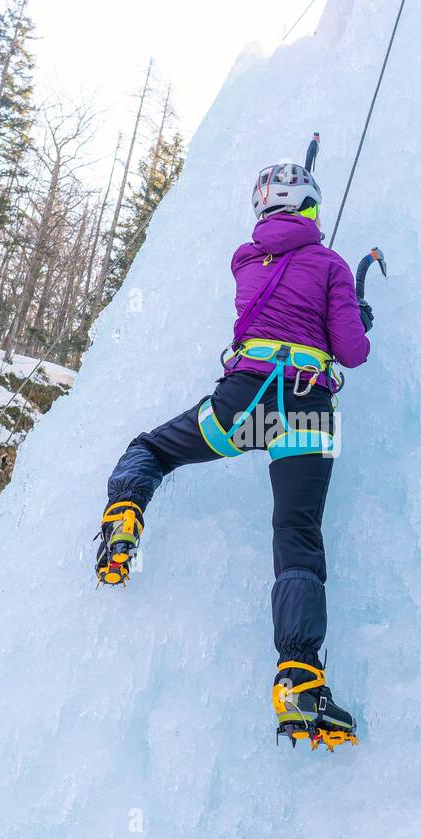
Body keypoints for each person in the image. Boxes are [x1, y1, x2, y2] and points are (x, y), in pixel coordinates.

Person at [95, 160, 374, 748]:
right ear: (312, 206)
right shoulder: (331, 266)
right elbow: (351, 351)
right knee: (296, 533)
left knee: (151, 448)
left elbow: (277, 283)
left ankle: (123, 518)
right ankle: (300, 677)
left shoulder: (246, 261)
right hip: (306, 405)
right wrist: (358, 313)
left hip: (243, 406)